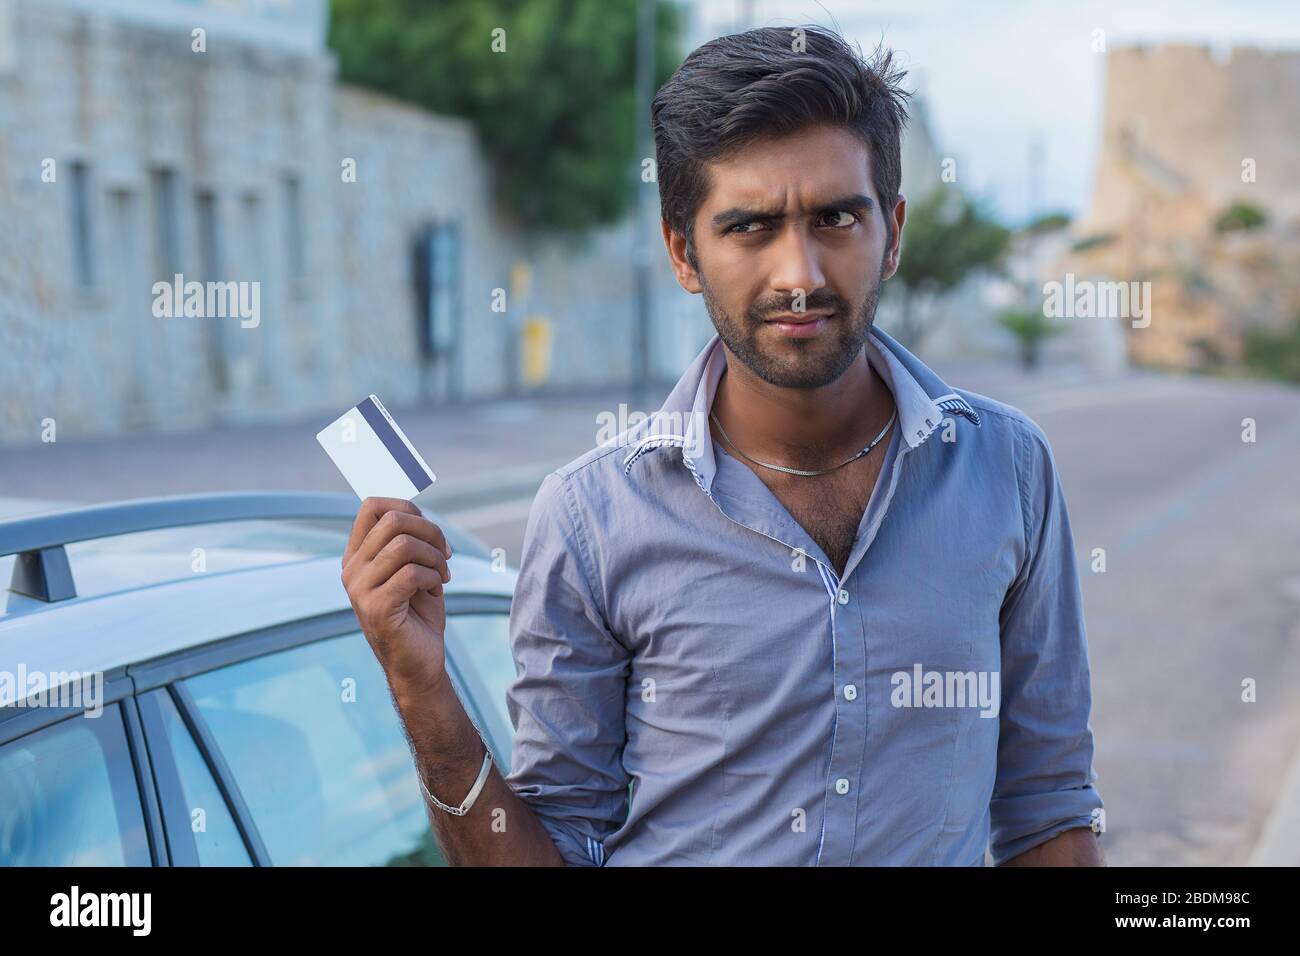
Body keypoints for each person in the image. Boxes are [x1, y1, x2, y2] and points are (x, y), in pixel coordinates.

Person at [341, 24, 1104, 866]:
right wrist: (421, 689)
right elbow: (556, 844)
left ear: (892, 231)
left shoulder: (1008, 469)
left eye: (835, 217)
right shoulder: (595, 516)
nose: (799, 274)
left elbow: (1049, 807)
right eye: (749, 227)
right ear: (683, 251)